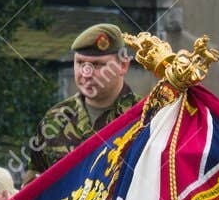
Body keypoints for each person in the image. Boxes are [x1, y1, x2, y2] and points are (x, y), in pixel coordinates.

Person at [25, 24, 140, 178]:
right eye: (80, 63)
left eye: (97, 64)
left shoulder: (145, 116)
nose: (86, 73)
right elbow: (34, 186)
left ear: (123, 65)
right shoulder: (55, 121)